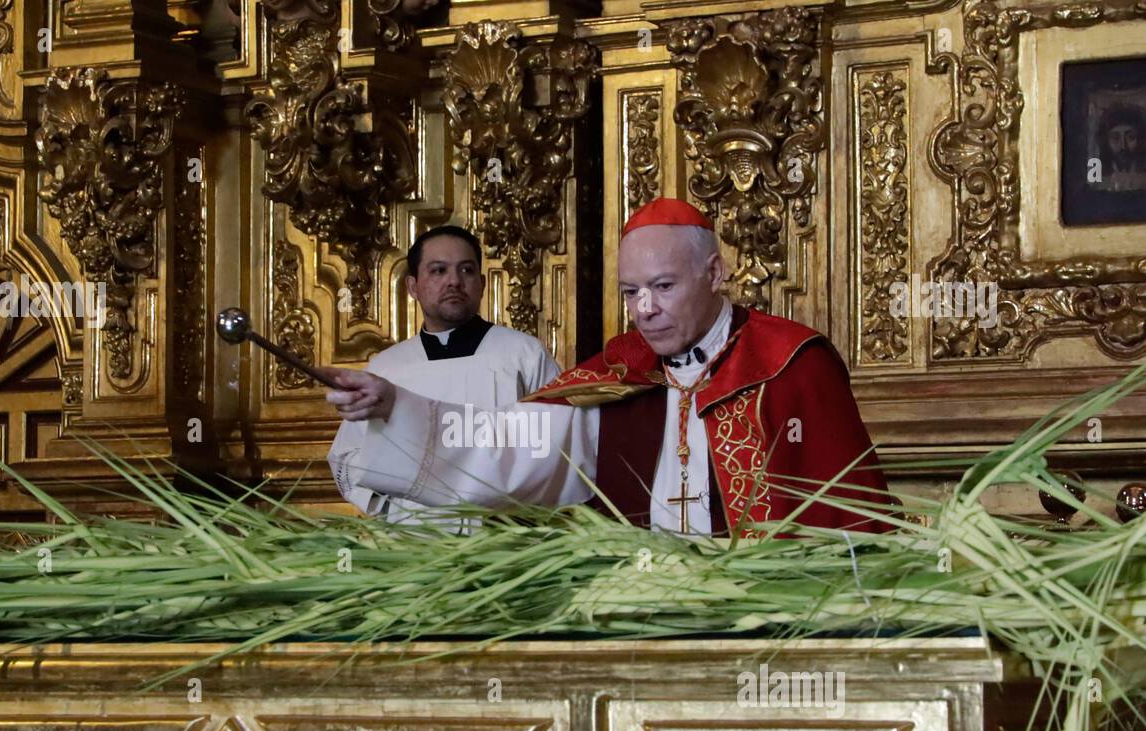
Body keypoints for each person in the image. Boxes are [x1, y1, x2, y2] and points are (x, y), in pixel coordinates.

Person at [324, 199, 891, 536]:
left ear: (715, 273)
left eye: (663, 287)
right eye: (631, 292)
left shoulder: (790, 361)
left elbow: (853, 515)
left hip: (765, 613)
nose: (646, 310)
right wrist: (397, 406)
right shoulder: (622, 369)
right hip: (643, 606)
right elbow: (512, 443)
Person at [328, 224, 560, 520]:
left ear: (482, 283)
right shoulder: (385, 368)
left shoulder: (524, 355)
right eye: (438, 271)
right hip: (412, 539)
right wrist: (394, 511)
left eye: (466, 271)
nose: (454, 281)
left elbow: (558, 443)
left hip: (504, 536)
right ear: (413, 286)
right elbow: (346, 457)